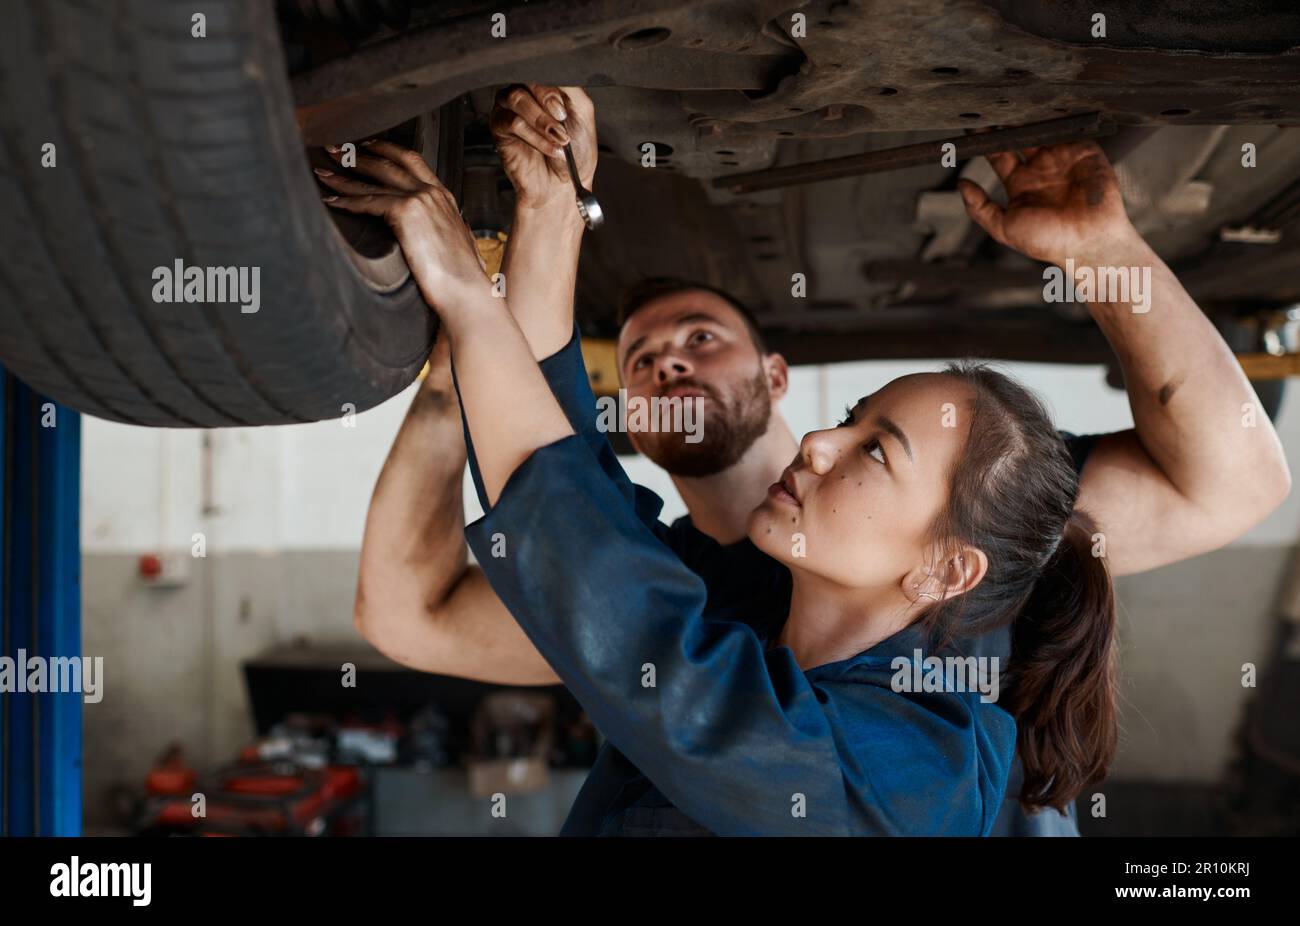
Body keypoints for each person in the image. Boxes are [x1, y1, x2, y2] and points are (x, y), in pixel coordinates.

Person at [336, 86, 1291, 835]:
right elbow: (566, 476)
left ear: (775, 370)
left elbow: (1236, 479)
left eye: (704, 336)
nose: (829, 442)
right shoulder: (717, 583)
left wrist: (1107, 253)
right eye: (637, 359)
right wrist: (551, 210)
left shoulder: (945, 683)